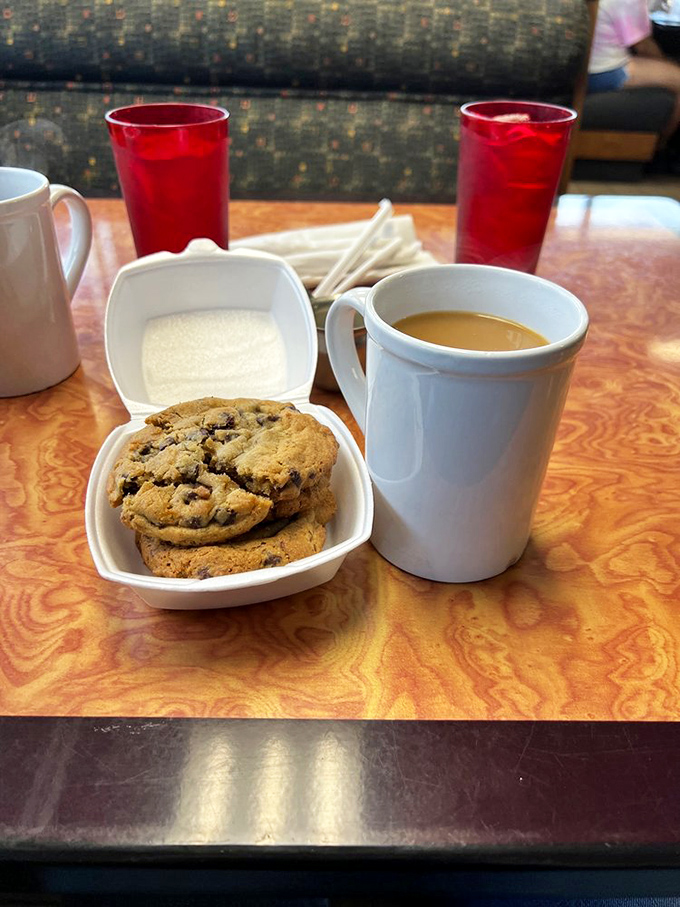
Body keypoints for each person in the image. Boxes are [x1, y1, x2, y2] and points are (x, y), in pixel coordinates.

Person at [587, 0, 680, 138]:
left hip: (579, 68)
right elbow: (643, 46)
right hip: (602, 72)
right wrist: (667, 64)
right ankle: (662, 147)